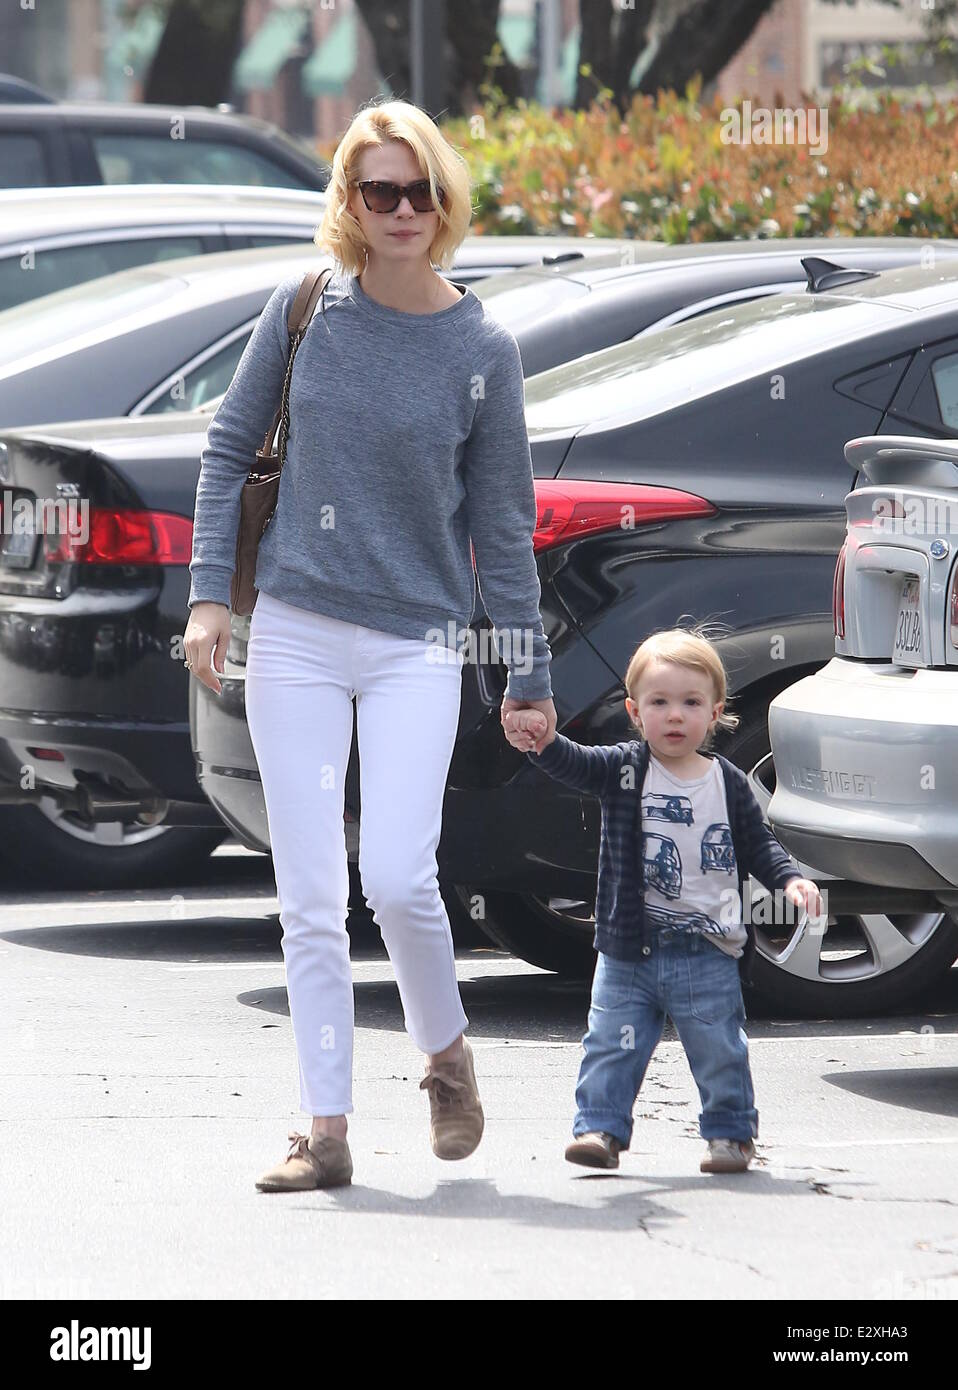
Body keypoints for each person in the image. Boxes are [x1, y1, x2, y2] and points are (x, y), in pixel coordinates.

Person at [182, 99, 557, 1191]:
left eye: (419, 190)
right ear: (347, 201)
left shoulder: (481, 346)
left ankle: (444, 1057)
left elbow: (501, 527)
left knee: (397, 875)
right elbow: (224, 447)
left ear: (445, 202)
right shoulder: (305, 310)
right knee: (308, 893)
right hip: (293, 630)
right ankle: (324, 1126)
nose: (400, 209)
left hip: (416, 645)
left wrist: (527, 673)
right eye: (376, 190)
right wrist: (212, 598)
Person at [503, 626, 823, 1174]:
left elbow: (758, 844)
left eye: (691, 703)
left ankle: (730, 1136)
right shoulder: (625, 768)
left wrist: (791, 880)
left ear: (716, 710)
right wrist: (542, 743)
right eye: (659, 702)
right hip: (630, 947)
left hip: (707, 949)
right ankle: (599, 1130)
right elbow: (574, 764)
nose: (675, 716)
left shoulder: (726, 782)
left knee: (719, 1046)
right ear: (634, 710)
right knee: (610, 1042)